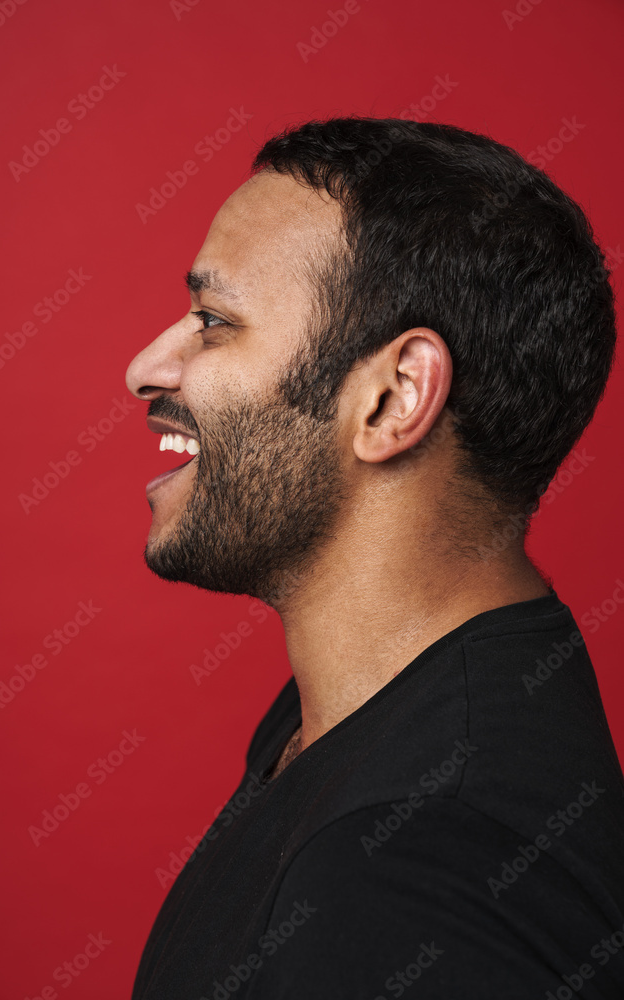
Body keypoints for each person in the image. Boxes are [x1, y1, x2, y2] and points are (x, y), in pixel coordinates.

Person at [125, 117, 624, 999]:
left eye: (213, 321)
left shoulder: (409, 872)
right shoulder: (355, 714)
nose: (146, 368)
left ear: (394, 399)